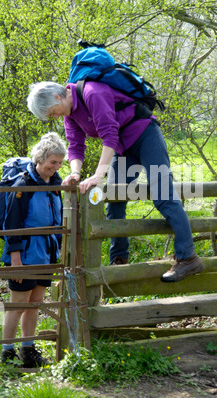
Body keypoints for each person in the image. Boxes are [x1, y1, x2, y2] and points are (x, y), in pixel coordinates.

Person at [27, 81, 204, 283]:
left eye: (52, 112)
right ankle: (119, 260)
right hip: (123, 148)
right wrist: (75, 173)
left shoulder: (93, 93)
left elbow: (109, 134)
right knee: (114, 201)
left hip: (146, 136)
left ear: (58, 97)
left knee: (163, 196)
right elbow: (75, 145)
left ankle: (188, 257)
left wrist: (98, 174)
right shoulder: (71, 114)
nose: (56, 117)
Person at [1, 132, 66, 367]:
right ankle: (6, 352)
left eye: (60, 163)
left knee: (35, 303)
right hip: (24, 254)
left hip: (46, 252)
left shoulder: (55, 183)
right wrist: (15, 260)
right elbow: (12, 224)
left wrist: (57, 250)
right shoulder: (22, 184)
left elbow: (57, 220)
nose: (56, 167)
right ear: (41, 158)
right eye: (53, 162)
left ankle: (27, 350)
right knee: (18, 304)